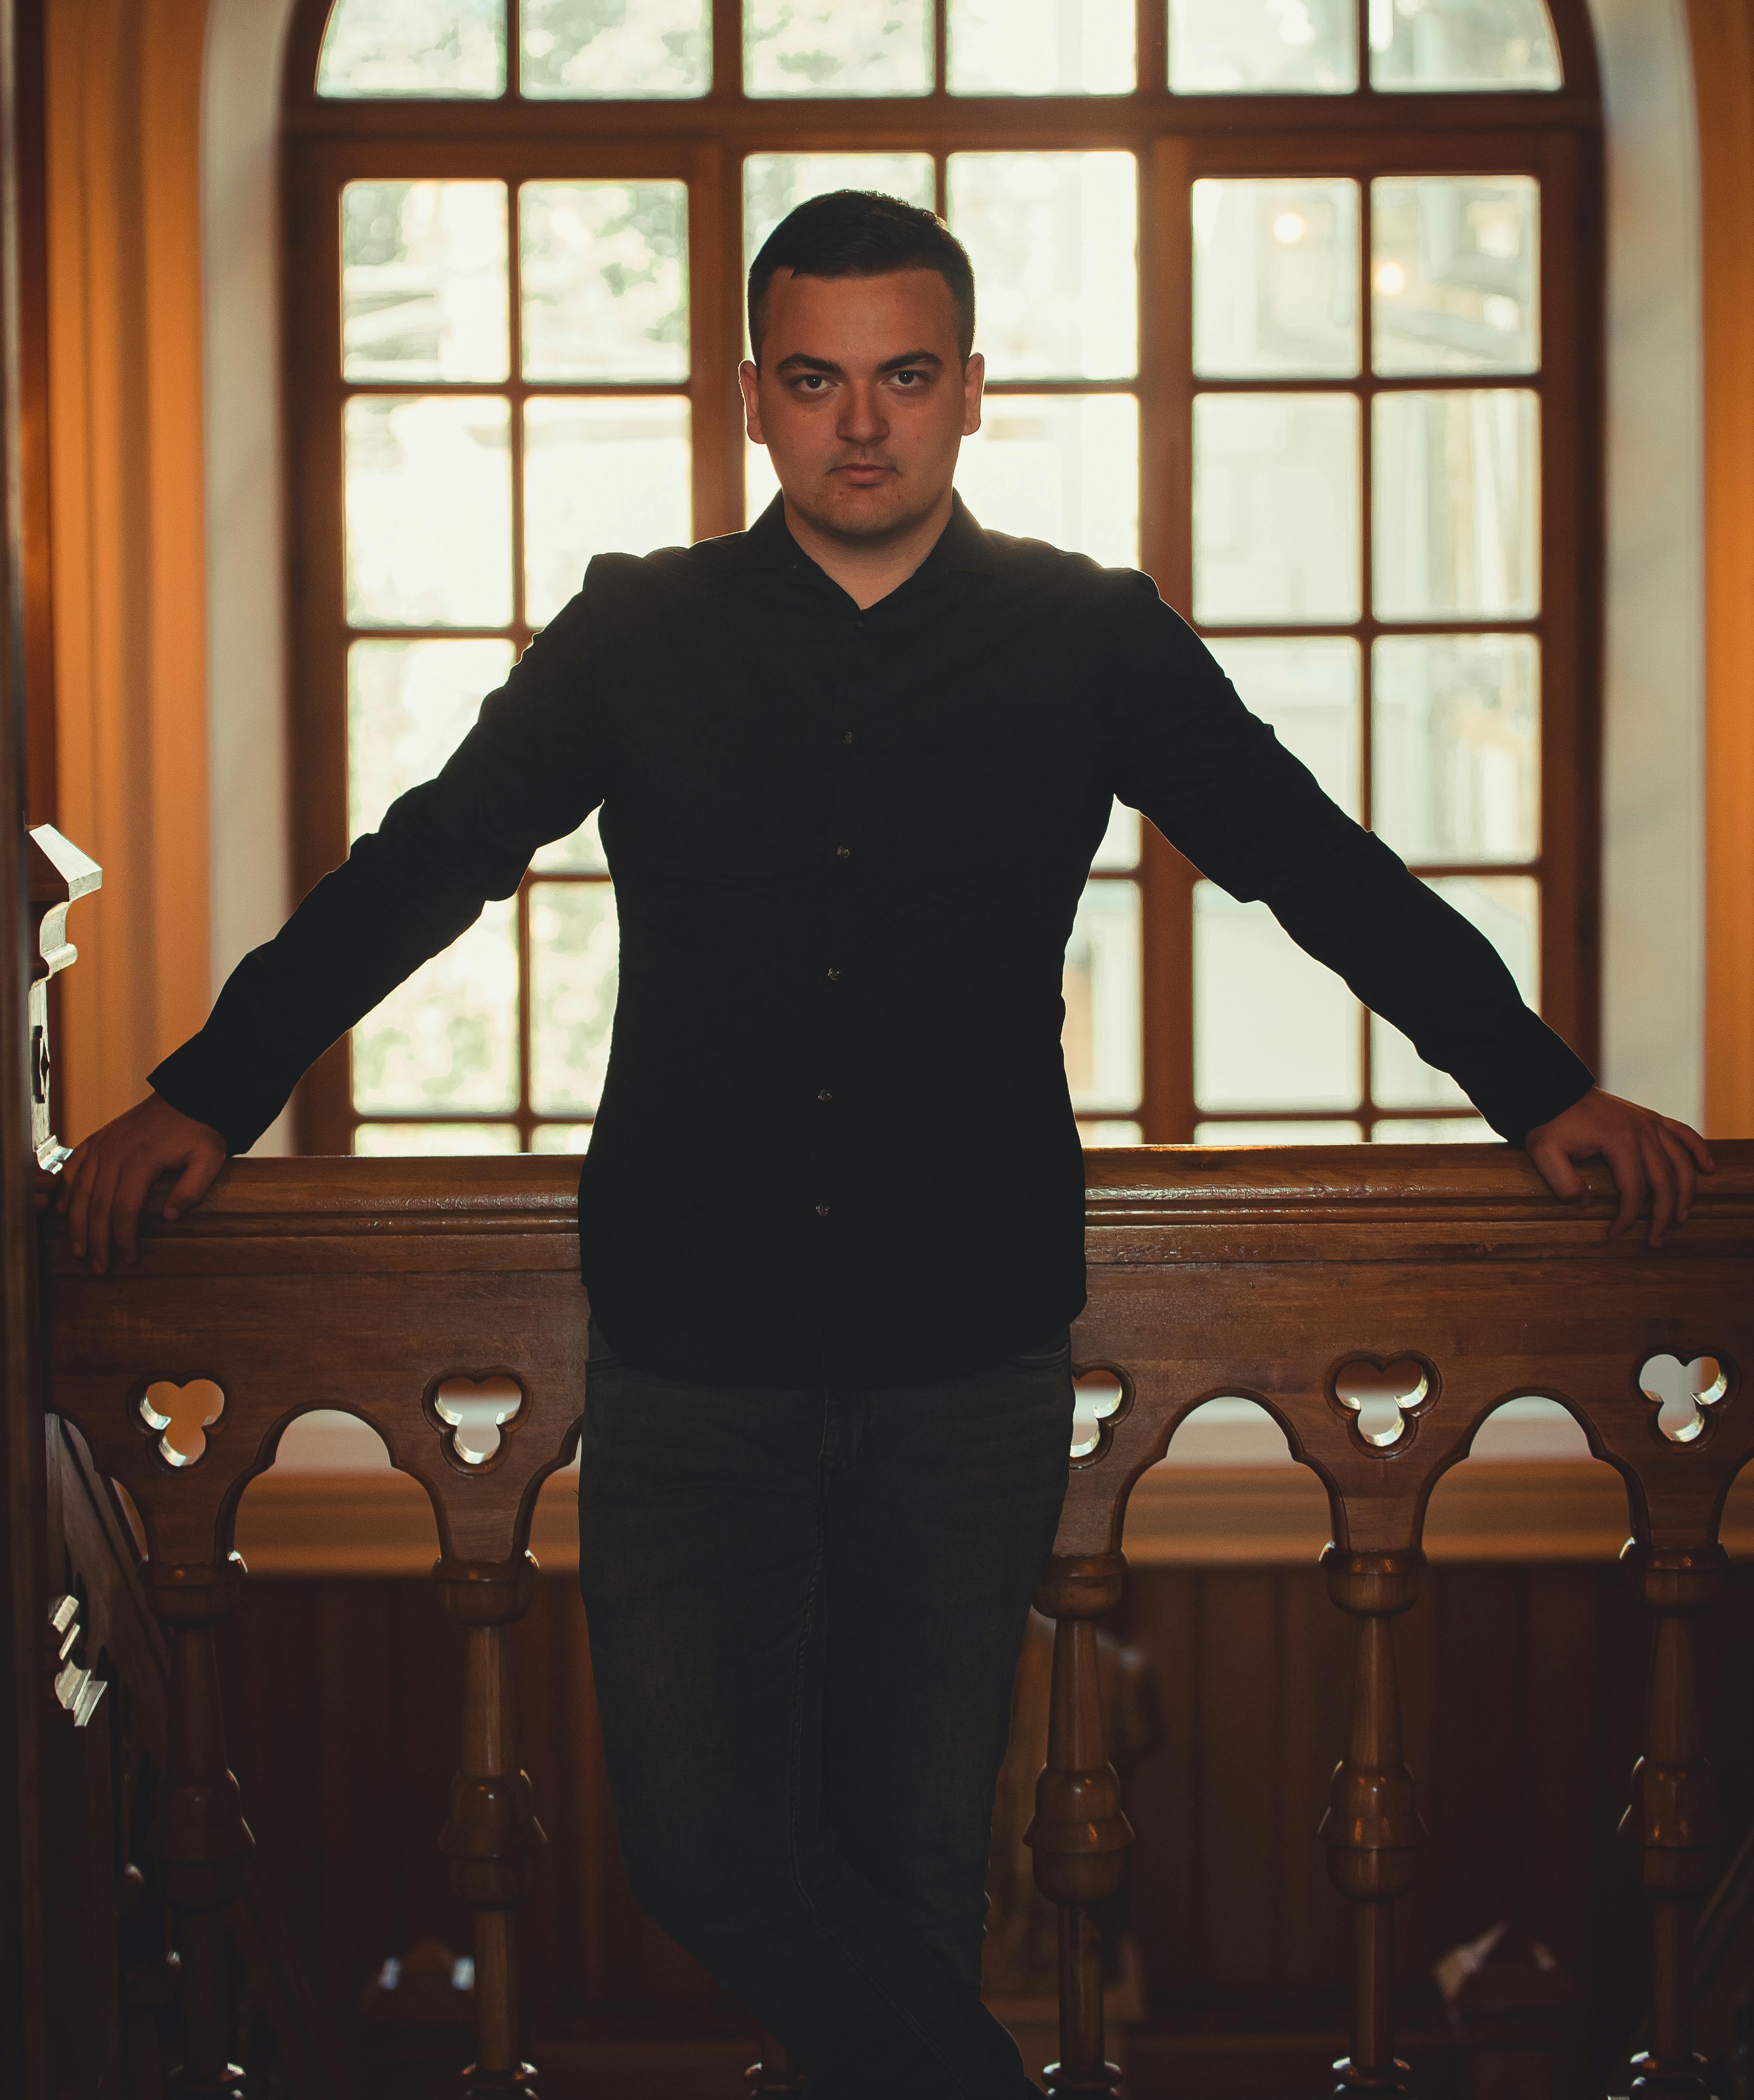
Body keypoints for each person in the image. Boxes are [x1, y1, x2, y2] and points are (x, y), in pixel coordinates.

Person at [62, 192, 1710, 2098]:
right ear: (752, 398)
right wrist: (205, 1087)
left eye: (905, 378)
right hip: (691, 1353)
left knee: (919, 1872)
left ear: (973, 394)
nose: (864, 423)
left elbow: (1313, 865)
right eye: (818, 379)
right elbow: (427, 866)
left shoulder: (1089, 635)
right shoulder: (639, 631)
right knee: (708, 1854)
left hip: (969, 1357)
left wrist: (1540, 1086)